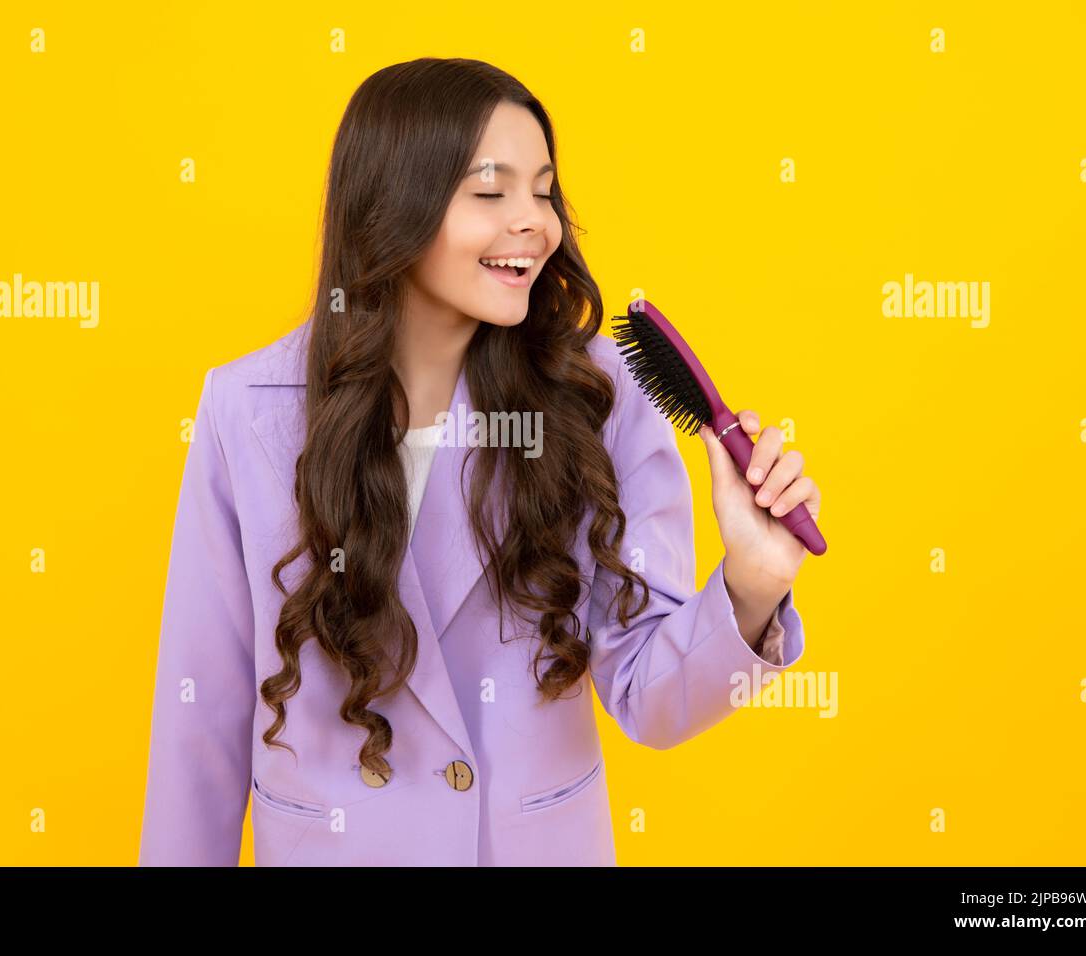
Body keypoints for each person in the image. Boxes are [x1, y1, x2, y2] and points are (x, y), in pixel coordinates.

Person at [139, 57, 822, 866]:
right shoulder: (245, 410)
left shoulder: (598, 396)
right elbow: (201, 729)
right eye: (492, 191)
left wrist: (751, 584)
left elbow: (653, 702)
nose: (534, 221)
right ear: (396, 206)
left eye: (544, 190)